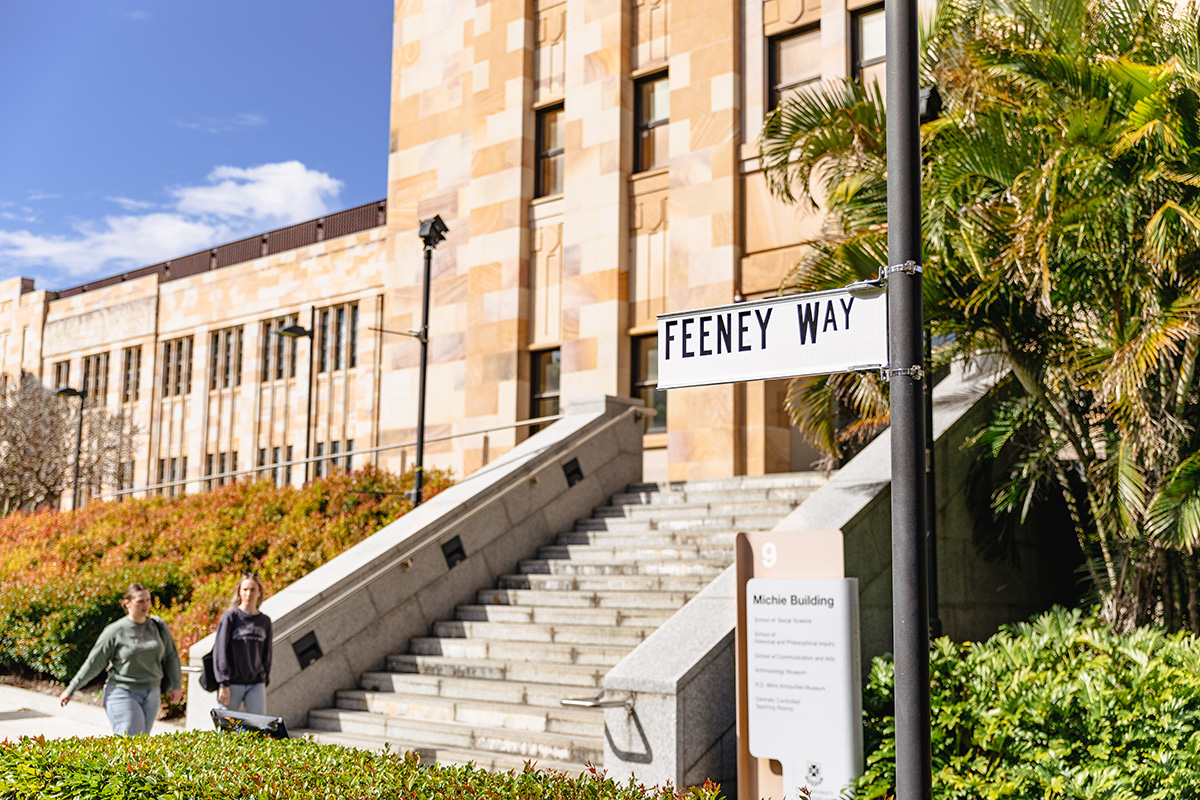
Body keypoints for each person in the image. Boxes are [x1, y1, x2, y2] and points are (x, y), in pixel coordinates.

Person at [59, 583, 183, 736]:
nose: (145, 605)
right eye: (140, 601)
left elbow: (171, 656)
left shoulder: (158, 626)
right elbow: (94, 663)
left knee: (142, 744)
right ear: (127, 603)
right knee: (132, 741)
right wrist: (71, 689)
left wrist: (176, 685)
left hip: (152, 694)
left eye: (148, 600)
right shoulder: (114, 631)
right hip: (123, 693)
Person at [213, 572, 273, 715]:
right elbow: (220, 651)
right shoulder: (231, 618)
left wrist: (264, 678)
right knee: (227, 728)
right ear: (239, 592)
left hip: (256, 683)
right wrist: (224, 682)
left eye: (252, 589)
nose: (248, 593)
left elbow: (267, 653)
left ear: (259, 592)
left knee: (258, 728)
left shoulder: (264, 621)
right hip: (232, 683)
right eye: (245, 589)